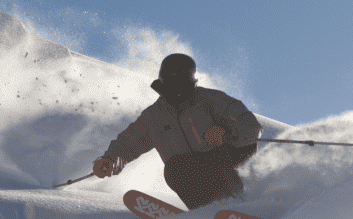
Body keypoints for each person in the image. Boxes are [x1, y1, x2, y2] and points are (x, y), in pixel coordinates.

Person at [92, 53, 262, 209]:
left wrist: (225, 132)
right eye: (172, 85)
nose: (178, 92)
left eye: (183, 86)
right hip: (191, 168)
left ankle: (238, 202)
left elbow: (250, 125)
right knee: (175, 169)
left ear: (192, 83)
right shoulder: (154, 117)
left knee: (204, 164)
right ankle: (206, 211)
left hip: (228, 154)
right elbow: (129, 143)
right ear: (163, 82)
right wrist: (110, 160)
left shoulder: (210, 100)